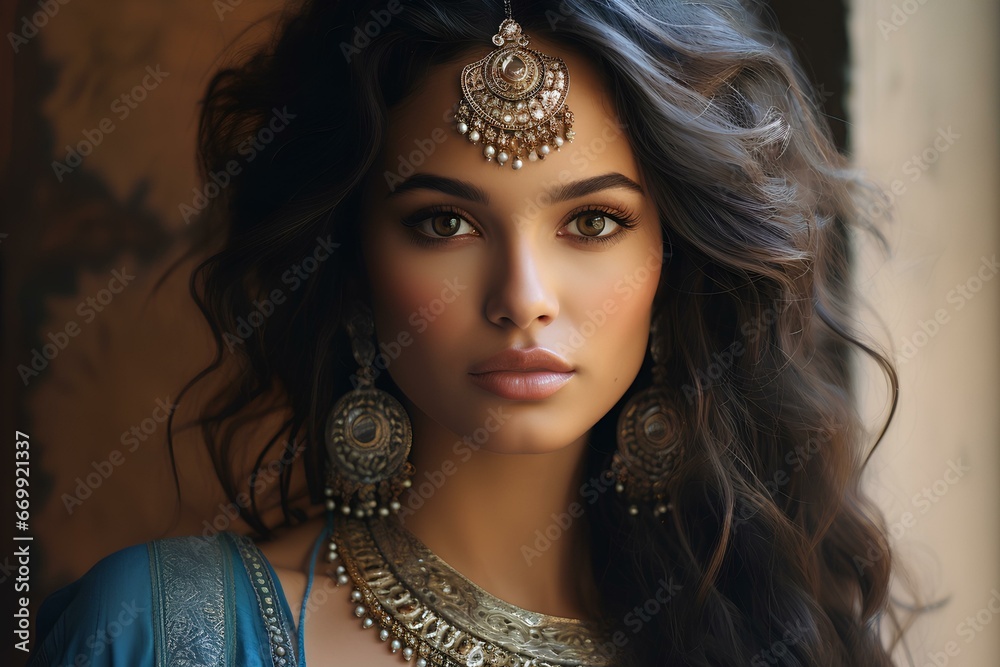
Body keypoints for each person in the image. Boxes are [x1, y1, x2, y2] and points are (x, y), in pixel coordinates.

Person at [28, 0, 912, 665]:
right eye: (445, 224)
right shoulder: (167, 630)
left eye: (594, 223)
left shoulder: (774, 632)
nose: (522, 297)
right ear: (352, 263)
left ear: (673, 265)